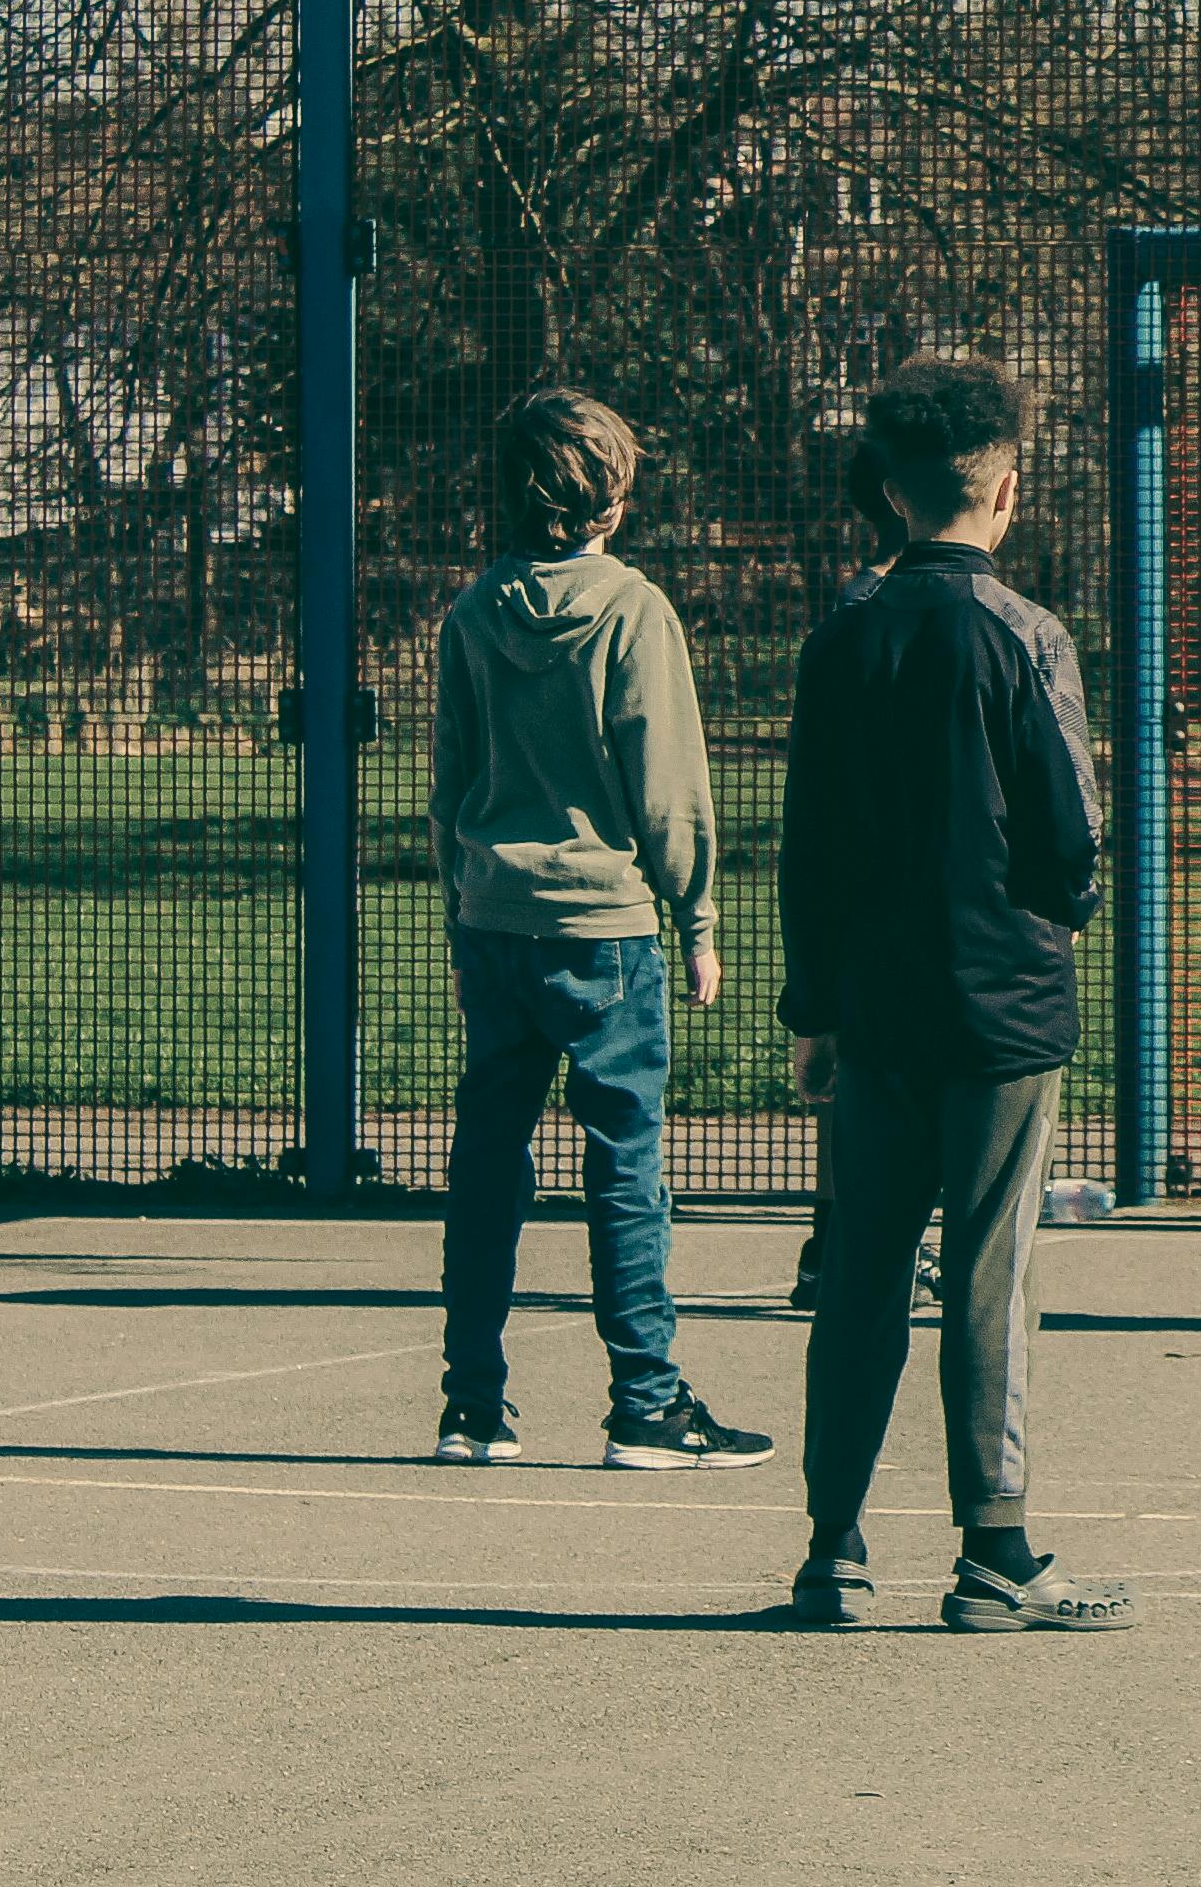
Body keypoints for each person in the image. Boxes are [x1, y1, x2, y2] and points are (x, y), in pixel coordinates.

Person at [777, 355, 1137, 1633]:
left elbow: (806, 844)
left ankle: (832, 1547)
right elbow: (1071, 838)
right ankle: (996, 1551)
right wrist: (1064, 915)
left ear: (887, 490)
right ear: (1005, 490)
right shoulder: (1024, 635)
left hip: (871, 1002)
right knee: (991, 1268)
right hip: (1001, 1003)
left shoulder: (840, 639)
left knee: (862, 1266)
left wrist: (813, 1008)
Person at [427, 387, 770, 1470]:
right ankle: (646, 1405)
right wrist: (698, 916)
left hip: (496, 918)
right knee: (625, 1165)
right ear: (613, 500)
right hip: (606, 928)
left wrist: (459, 913)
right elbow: (666, 785)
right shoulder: (633, 610)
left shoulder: (473, 613)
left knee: (489, 1162)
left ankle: (472, 1408)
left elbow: (450, 783)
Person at [787, 434, 916, 1321]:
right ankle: (856, 1240)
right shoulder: (901, 602)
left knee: (854, 1068)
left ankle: (832, 1238)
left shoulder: (851, 606)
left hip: (857, 879)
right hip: (909, 873)